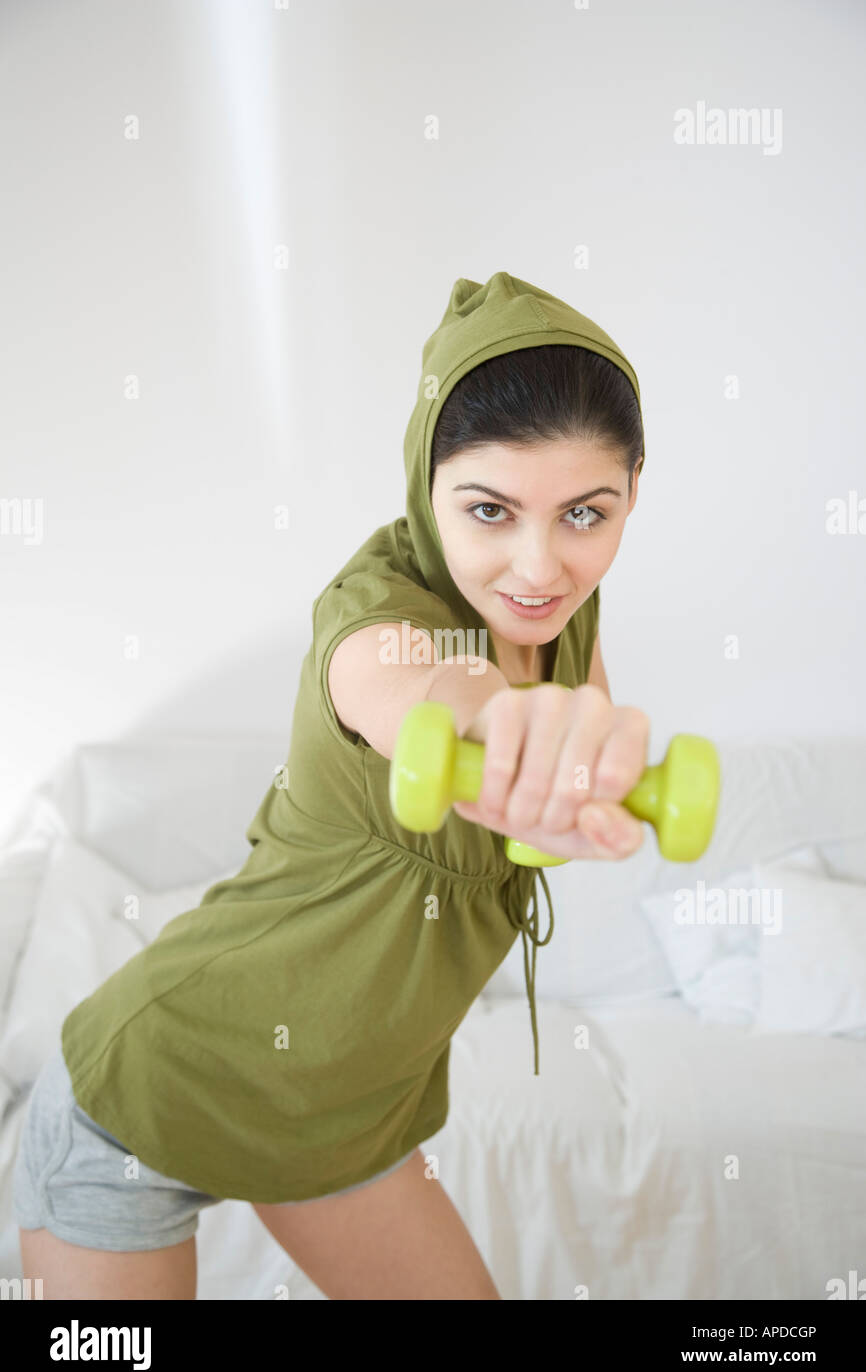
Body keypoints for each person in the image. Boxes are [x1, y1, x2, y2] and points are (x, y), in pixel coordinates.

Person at [15, 270, 649, 1300]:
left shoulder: (570, 624)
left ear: (629, 492)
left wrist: (586, 790)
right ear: (423, 482)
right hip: (135, 1103)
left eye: (585, 512)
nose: (538, 565)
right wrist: (500, 721)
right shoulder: (374, 615)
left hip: (343, 1119)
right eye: (489, 509)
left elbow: (557, 802)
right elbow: (430, 689)